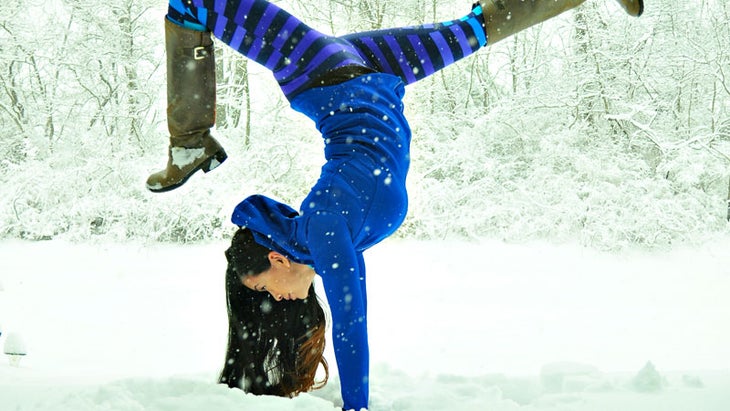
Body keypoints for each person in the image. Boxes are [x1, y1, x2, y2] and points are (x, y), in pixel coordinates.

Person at [148, 1, 644, 410]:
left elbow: (352, 323)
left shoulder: (322, 226)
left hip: (321, 72)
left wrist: (357, 407)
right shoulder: (325, 236)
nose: (280, 301)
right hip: (375, 70)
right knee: (476, 28)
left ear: (276, 257)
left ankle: (190, 141)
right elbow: (349, 312)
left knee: (192, 3)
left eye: (267, 291)